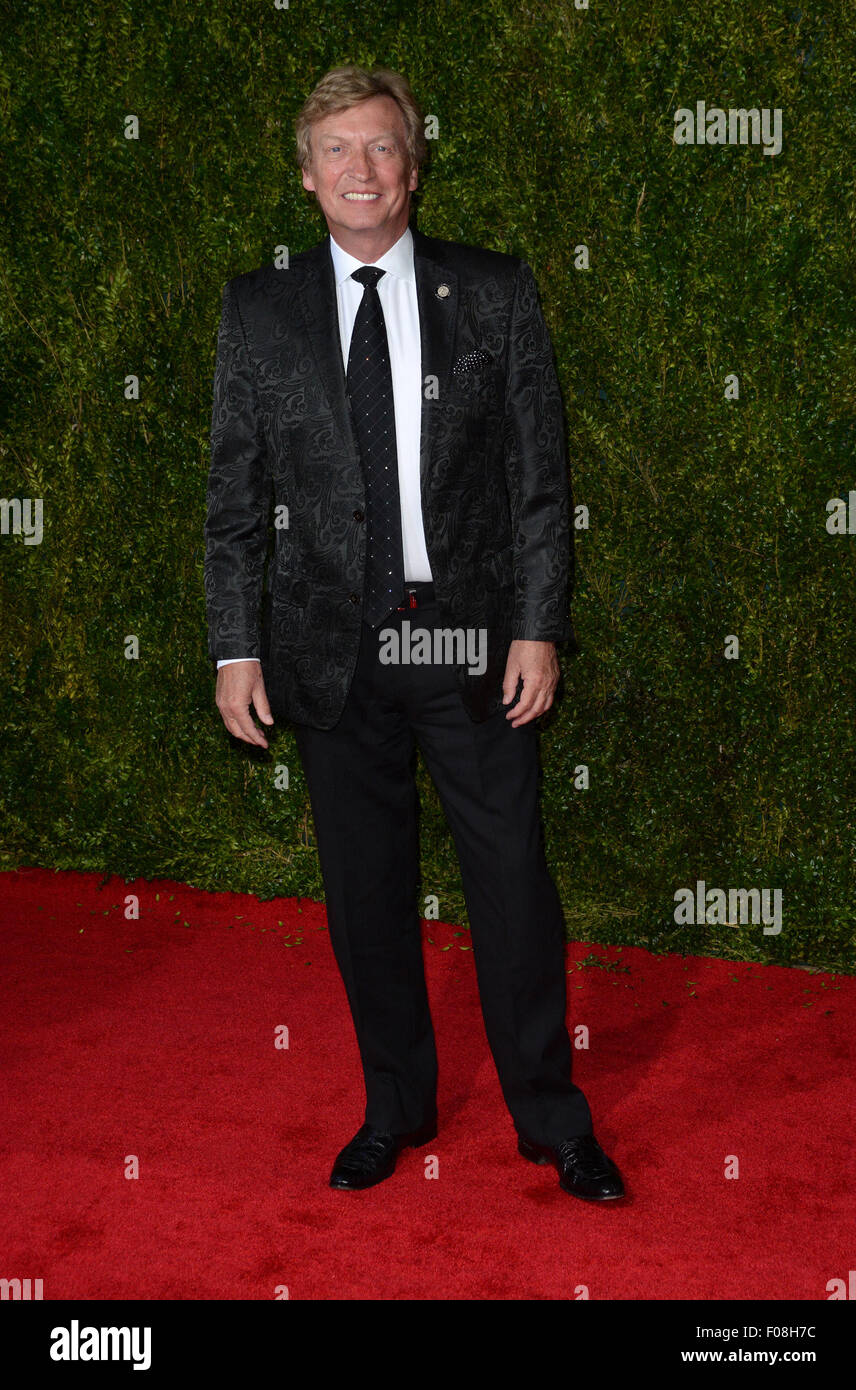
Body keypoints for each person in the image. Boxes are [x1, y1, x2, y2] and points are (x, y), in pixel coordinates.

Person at [204, 63, 624, 1202]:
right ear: (305, 176)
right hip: (330, 652)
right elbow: (235, 499)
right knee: (365, 896)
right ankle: (394, 1104)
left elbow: (540, 476)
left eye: (381, 146)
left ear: (413, 165)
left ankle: (550, 1117)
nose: (360, 168)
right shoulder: (259, 307)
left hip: (461, 639)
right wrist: (233, 647)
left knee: (512, 887)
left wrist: (535, 627)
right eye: (336, 149)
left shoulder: (489, 291)